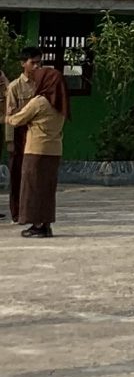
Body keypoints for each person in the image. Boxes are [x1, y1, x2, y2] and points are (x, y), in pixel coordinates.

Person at [9, 49, 68, 237]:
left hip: (36, 149)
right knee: (47, 190)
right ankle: (46, 224)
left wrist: (8, 117)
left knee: (32, 188)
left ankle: (37, 225)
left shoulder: (40, 102)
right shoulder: (60, 103)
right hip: (54, 150)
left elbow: (16, 119)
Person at [6, 61, 30, 223]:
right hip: (18, 133)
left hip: (34, 133)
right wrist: (10, 140)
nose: (36, 66)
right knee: (16, 175)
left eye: (39, 63)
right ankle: (16, 212)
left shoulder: (39, 84)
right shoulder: (15, 86)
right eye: (33, 63)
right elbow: (10, 116)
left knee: (31, 175)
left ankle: (29, 211)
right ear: (23, 63)